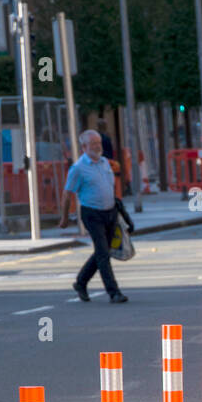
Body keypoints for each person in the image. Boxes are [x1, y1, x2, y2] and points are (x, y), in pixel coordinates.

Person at [59, 130, 129, 304]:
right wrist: (65, 218)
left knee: (102, 251)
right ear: (84, 147)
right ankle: (114, 292)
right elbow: (67, 194)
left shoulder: (105, 163)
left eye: (99, 142)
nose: (98, 146)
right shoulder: (78, 168)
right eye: (93, 144)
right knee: (103, 253)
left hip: (110, 212)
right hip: (92, 213)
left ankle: (81, 282)